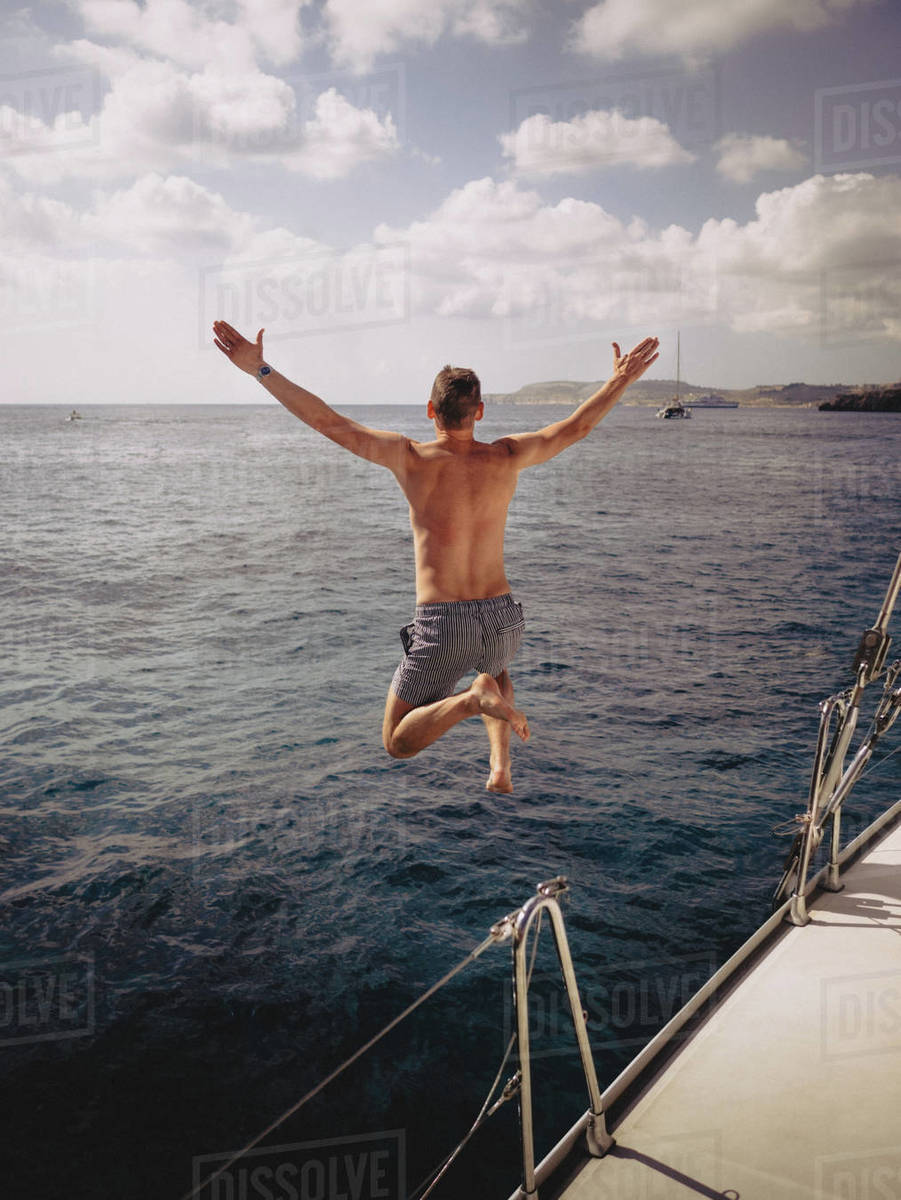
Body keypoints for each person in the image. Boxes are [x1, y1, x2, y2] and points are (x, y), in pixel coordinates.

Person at [212, 320, 659, 792]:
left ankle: (472, 701)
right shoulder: (507, 457)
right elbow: (578, 426)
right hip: (503, 619)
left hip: (442, 624)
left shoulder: (410, 458)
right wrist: (619, 380)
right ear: (480, 412)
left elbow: (328, 422)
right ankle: (500, 765)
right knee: (495, 662)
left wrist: (258, 368)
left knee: (396, 742)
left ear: (430, 410)